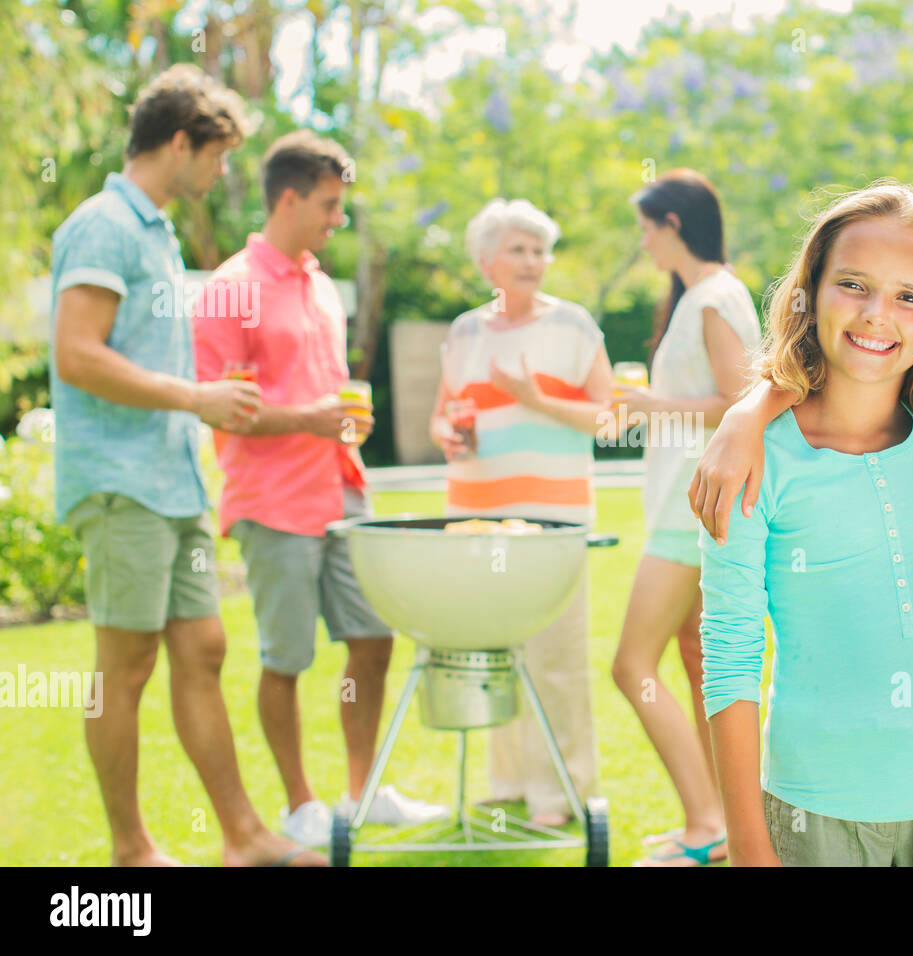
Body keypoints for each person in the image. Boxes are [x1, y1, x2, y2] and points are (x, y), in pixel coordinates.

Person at [50, 65, 324, 866]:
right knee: (126, 664)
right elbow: (75, 354)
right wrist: (194, 397)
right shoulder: (103, 225)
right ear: (180, 141)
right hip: (120, 479)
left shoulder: (157, 234)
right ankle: (132, 850)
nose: (223, 172)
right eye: (217, 155)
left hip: (173, 481)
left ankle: (243, 838)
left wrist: (204, 403)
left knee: (203, 648)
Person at [701, 182, 913, 866]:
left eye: (908, 297)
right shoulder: (752, 461)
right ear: (810, 294)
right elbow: (730, 652)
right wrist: (749, 843)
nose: (876, 315)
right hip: (811, 809)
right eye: (853, 285)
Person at [193, 130, 448, 848]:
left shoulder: (318, 286)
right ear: (288, 197)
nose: (339, 219)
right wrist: (308, 417)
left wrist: (337, 424)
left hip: (342, 490)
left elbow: (325, 393)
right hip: (272, 501)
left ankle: (365, 792)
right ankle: (301, 803)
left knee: (372, 640)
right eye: (330, 205)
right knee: (287, 657)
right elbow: (220, 399)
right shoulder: (233, 286)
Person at [431, 198, 614, 827]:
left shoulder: (574, 327)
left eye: (539, 250)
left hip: (552, 516)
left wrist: (535, 400)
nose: (533, 261)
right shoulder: (463, 331)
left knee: (555, 657)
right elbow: (442, 413)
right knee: (494, 649)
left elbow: (611, 415)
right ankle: (507, 779)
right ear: (486, 260)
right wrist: (448, 436)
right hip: (476, 513)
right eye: (518, 249)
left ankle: (562, 788)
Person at [611, 169, 762, 865]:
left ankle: (706, 826)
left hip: (689, 511)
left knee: (629, 663)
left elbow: (740, 404)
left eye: (646, 228)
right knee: (699, 660)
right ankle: (725, 824)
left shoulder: (711, 296)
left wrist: (648, 407)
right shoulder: (704, 296)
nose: (642, 243)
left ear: (673, 224)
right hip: (693, 503)